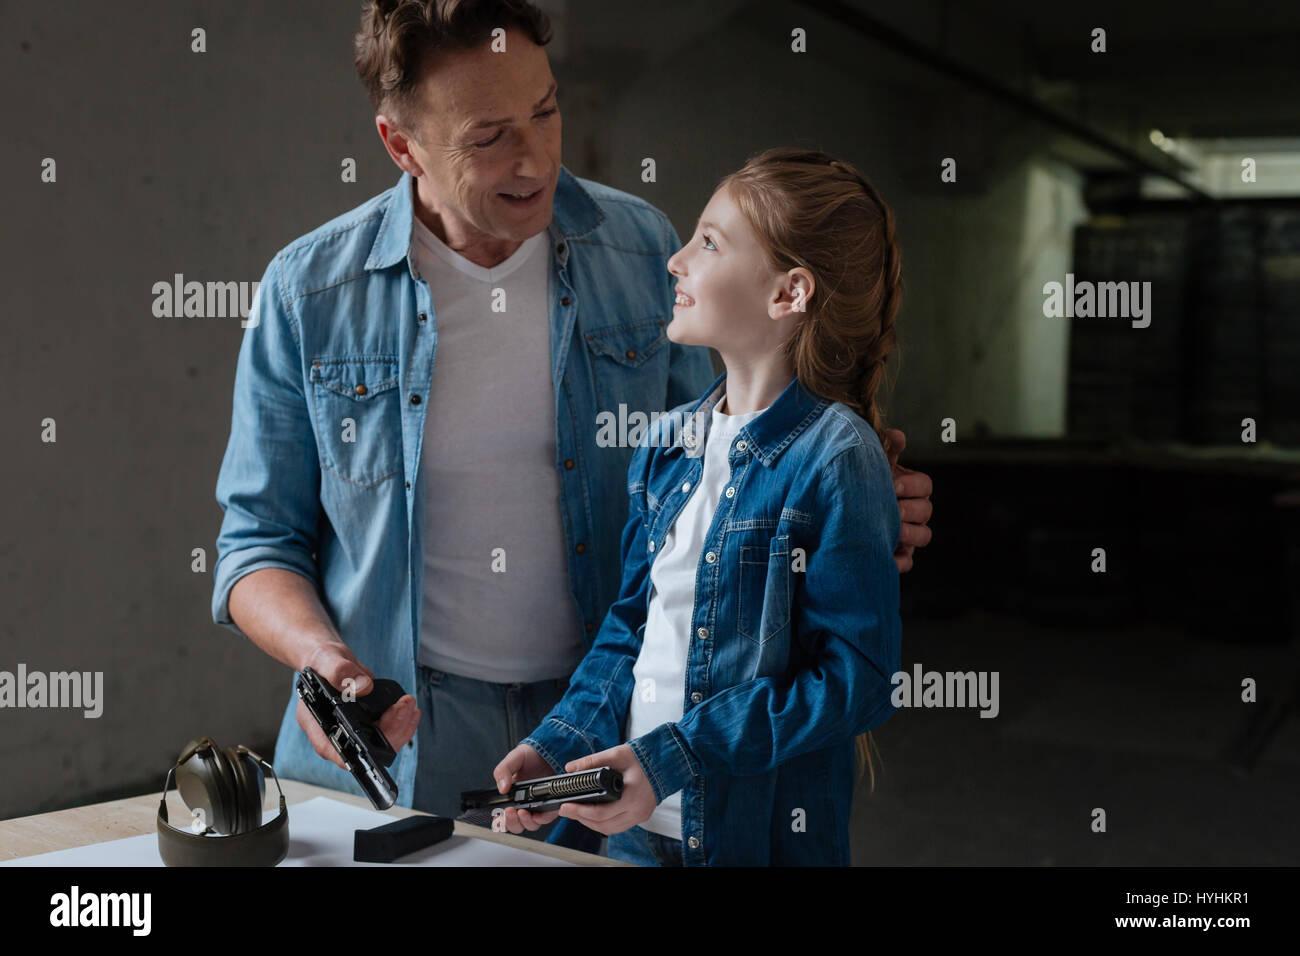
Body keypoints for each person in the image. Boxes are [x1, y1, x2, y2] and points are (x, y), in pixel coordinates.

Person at [210, 0, 933, 858]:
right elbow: (256, 543)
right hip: (402, 737)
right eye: (488, 137)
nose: (535, 158)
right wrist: (328, 665)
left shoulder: (636, 249)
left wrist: (847, 499)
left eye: (546, 112)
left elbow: (732, 484)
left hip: (605, 723)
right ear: (401, 147)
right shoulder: (309, 292)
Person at [493, 148, 905, 865]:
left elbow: (855, 683)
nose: (677, 260)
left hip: (755, 843)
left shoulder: (837, 457)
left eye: (709, 242)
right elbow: (629, 632)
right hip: (633, 834)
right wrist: (557, 743)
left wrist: (677, 755)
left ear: (789, 293)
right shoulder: (666, 446)